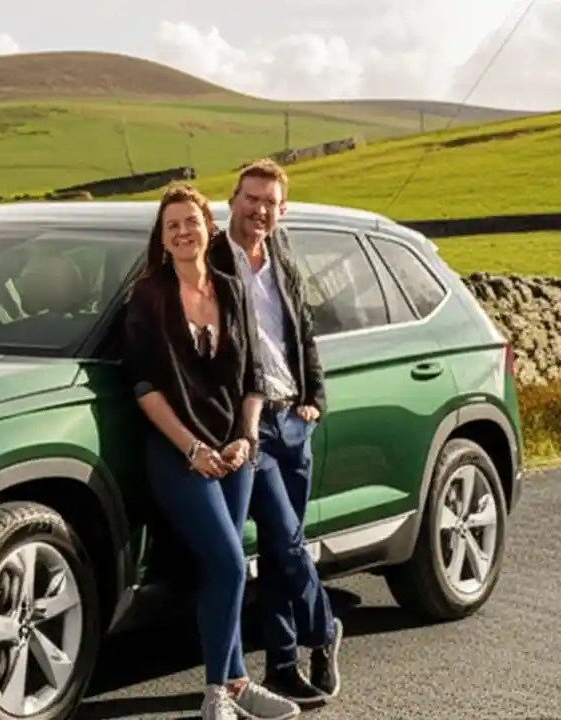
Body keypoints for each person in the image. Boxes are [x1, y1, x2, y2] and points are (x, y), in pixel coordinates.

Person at [122, 183, 300, 720]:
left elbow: (252, 375)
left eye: (191, 222)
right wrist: (194, 448)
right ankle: (215, 695)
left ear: (209, 228)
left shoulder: (230, 287)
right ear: (162, 235)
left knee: (225, 566)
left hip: (234, 448)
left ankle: (239, 684)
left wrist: (246, 437)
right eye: (171, 224)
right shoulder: (147, 296)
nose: (182, 232)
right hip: (179, 453)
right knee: (226, 562)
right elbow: (144, 387)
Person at [224, 159, 343, 706]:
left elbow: (305, 331)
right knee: (288, 541)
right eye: (252, 198)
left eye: (270, 202)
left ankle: (283, 666)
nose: (260, 210)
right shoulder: (212, 261)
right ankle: (325, 628)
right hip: (247, 426)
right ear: (233, 199)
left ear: (282, 209)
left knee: (279, 550)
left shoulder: (284, 260)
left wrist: (314, 398)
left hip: (293, 420)